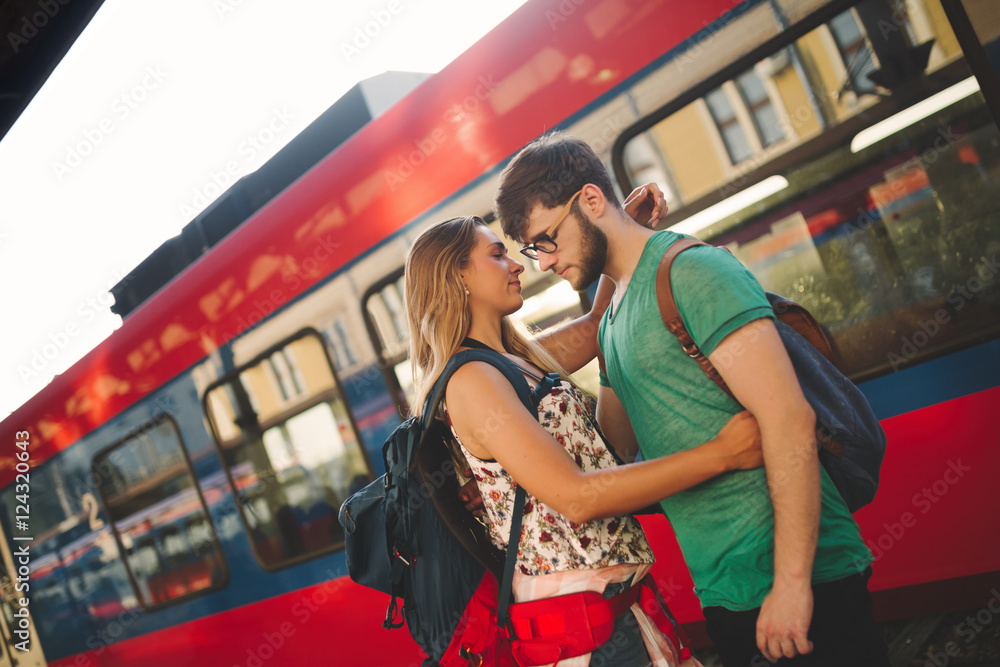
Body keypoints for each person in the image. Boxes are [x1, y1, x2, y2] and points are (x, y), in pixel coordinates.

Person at [493, 132, 889, 667]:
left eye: (546, 239)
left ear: (590, 200)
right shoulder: (611, 321)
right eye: (532, 249)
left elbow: (789, 420)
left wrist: (792, 584)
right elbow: (615, 452)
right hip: (724, 590)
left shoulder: (690, 271)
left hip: (803, 578)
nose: (543, 262)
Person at [405, 214, 764, 667]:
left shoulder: (513, 361)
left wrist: (618, 228)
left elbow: (601, 326)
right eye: (496, 255)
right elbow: (577, 497)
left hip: (618, 606)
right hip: (583, 626)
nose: (517, 265)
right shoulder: (473, 380)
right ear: (457, 276)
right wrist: (723, 454)